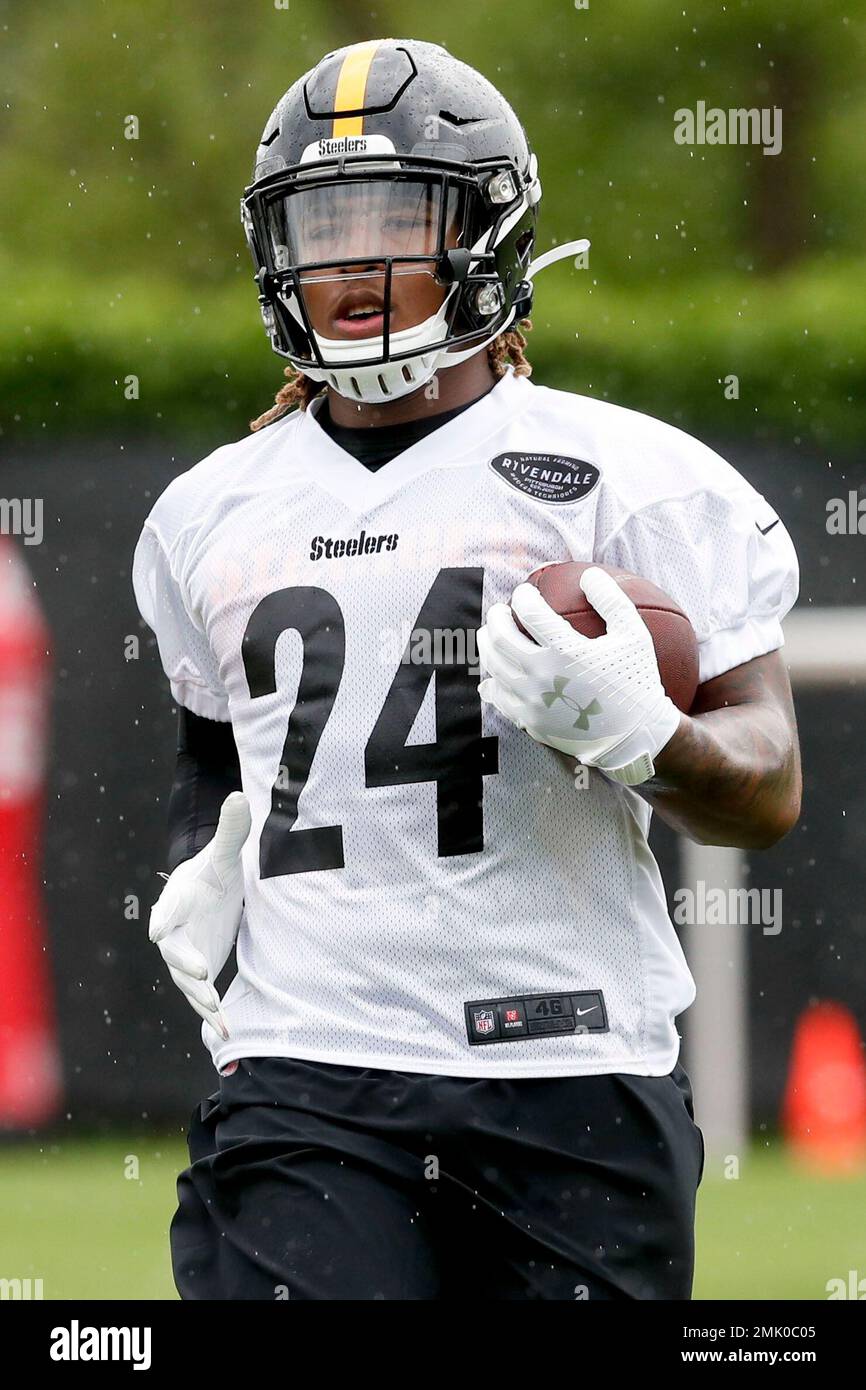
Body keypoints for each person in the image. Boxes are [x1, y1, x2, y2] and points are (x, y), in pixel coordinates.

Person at [132, 37, 801, 1300]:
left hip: (573, 1075)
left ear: (488, 230)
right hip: (306, 1077)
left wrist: (644, 736)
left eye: (395, 218)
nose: (353, 263)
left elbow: (764, 791)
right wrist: (195, 864)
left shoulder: (632, 478)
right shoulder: (205, 512)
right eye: (320, 227)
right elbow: (212, 756)